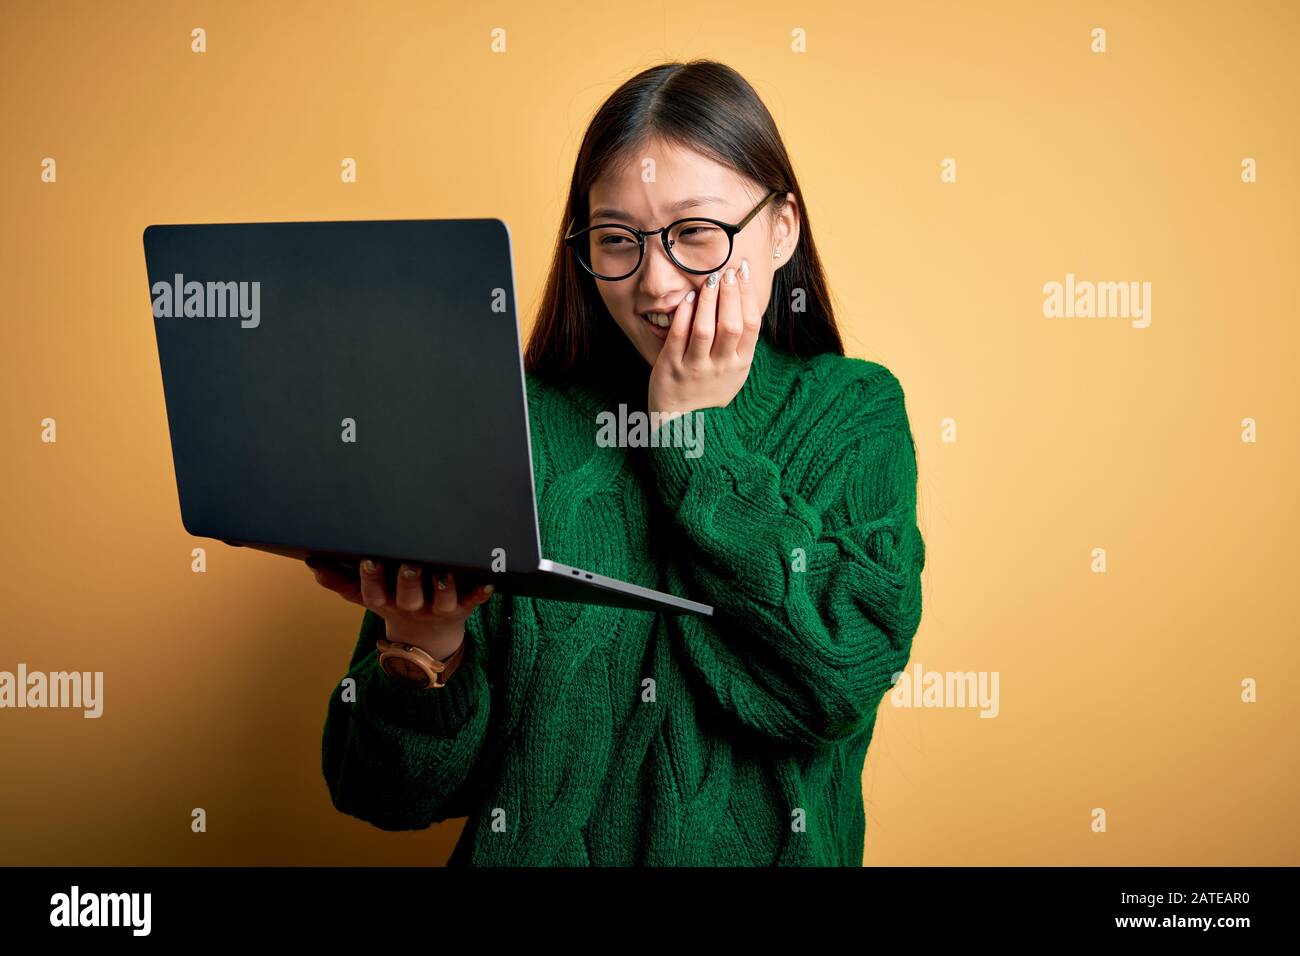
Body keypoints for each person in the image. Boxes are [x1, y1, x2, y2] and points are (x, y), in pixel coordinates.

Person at [315, 59, 926, 866]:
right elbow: (381, 795)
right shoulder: (510, 425)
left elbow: (834, 684)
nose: (656, 282)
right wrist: (425, 645)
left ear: (783, 229)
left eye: (695, 234)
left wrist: (691, 435)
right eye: (616, 241)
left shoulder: (853, 414)